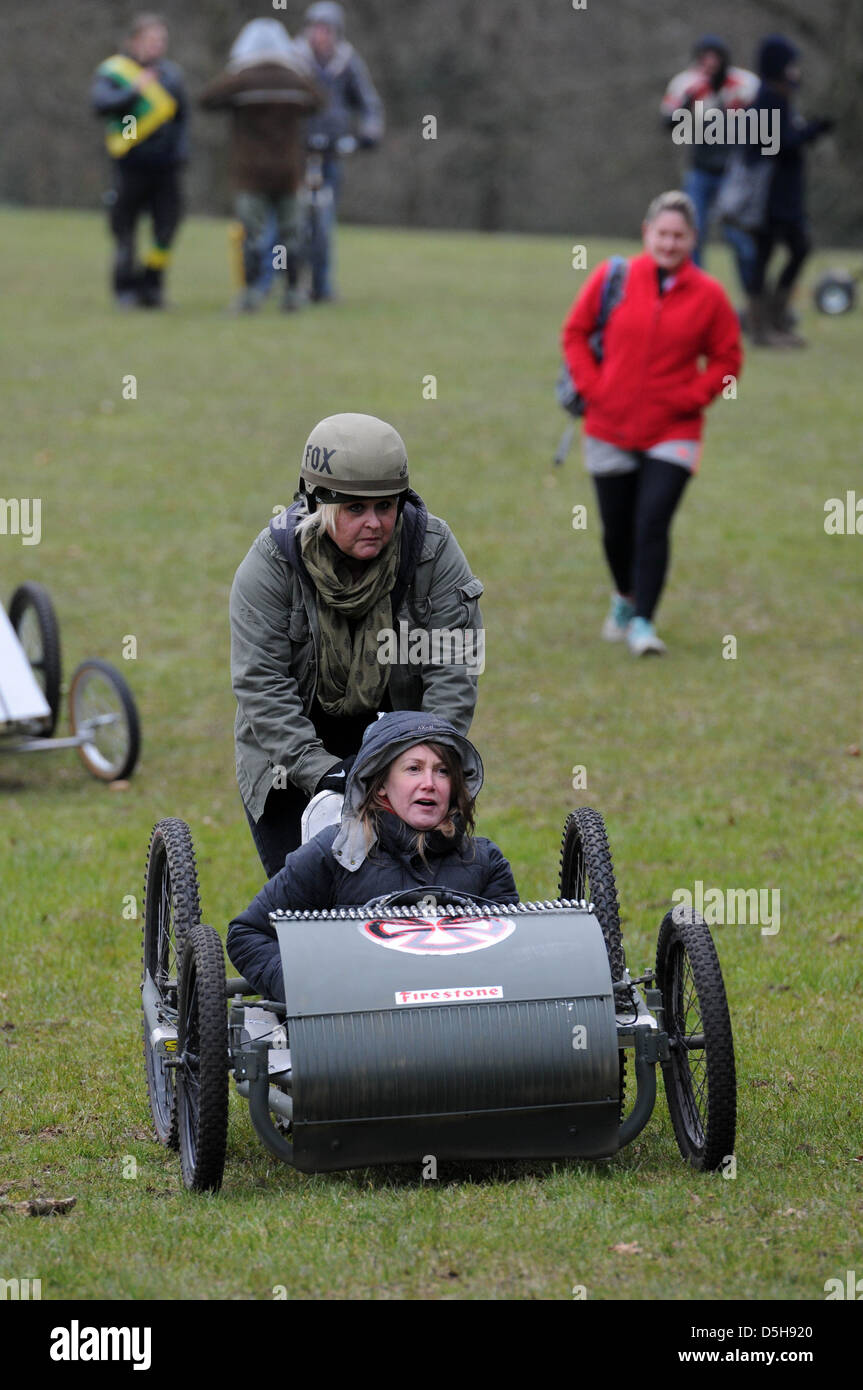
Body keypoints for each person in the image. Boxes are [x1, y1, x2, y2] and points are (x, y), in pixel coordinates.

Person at [230, 414, 485, 875]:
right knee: (311, 899)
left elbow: (454, 669)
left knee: (425, 885)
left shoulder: (433, 551)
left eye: (386, 507)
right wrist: (321, 772)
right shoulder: (270, 566)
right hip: (291, 752)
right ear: (319, 506)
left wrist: (419, 765)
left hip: (402, 735)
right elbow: (260, 686)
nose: (374, 523)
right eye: (354, 509)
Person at [560, 190, 743, 656]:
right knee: (616, 529)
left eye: (679, 236)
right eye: (662, 234)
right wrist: (595, 388)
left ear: (693, 240)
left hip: (674, 430)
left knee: (651, 523)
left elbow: (728, 358)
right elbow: (575, 333)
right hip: (608, 425)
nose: (669, 243)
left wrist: (690, 397)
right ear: (647, 234)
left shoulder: (709, 295)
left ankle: (643, 623)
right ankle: (624, 596)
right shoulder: (612, 277)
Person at [227, 711, 519, 1002]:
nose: (429, 783)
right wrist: (308, 990)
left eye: (442, 771)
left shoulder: (484, 861)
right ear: (380, 784)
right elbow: (248, 934)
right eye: (414, 769)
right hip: (353, 1034)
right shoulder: (334, 852)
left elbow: (511, 954)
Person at [199, 19, 326, 313]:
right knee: (289, 237)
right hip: (289, 172)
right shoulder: (295, 80)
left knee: (253, 237)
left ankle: (250, 295)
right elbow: (320, 101)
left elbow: (206, 99)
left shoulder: (241, 79)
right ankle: (292, 293)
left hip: (250, 174)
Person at [90, 12, 188, 308]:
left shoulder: (171, 75)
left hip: (166, 165)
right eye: (150, 40)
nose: (156, 46)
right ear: (133, 41)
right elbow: (101, 104)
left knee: (167, 227)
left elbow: (182, 117)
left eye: (161, 41)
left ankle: (152, 285)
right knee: (125, 230)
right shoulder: (115, 71)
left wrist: (182, 151)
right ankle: (125, 290)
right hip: (130, 163)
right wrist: (135, 91)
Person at [744, 35, 834, 348]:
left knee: (788, 251)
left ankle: (773, 321)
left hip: (783, 198)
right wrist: (813, 131)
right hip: (771, 200)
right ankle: (764, 327)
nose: (796, 71)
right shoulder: (768, 98)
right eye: (791, 65)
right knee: (773, 254)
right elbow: (777, 143)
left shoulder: (779, 98)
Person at [292, 2, 384, 301]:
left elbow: (369, 103)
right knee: (293, 220)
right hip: (297, 153)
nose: (320, 35)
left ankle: (322, 285)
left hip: (331, 154)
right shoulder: (294, 59)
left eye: (326, 30)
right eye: (315, 28)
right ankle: (285, 281)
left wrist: (370, 131)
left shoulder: (347, 62)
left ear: (336, 33)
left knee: (324, 220)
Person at [660, 35, 759, 291]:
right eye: (705, 58)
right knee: (693, 233)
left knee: (739, 236)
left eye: (716, 58)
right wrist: (687, 104)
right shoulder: (687, 84)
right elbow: (668, 123)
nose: (710, 64)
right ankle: (693, 293)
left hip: (734, 173)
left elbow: (764, 122)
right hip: (700, 170)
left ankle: (754, 297)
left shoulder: (744, 84)